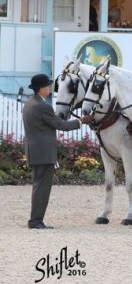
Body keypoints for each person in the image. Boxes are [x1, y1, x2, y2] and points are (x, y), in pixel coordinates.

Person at [23, 73, 82, 229]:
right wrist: (80, 121)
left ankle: (35, 220)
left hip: (34, 151)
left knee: (38, 186)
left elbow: (49, 122)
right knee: (42, 188)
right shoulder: (43, 106)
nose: (49, 88)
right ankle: (36, 221)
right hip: (43, 153)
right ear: (41, 89)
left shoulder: (30, 103)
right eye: (47, 86)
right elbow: (60, 125)